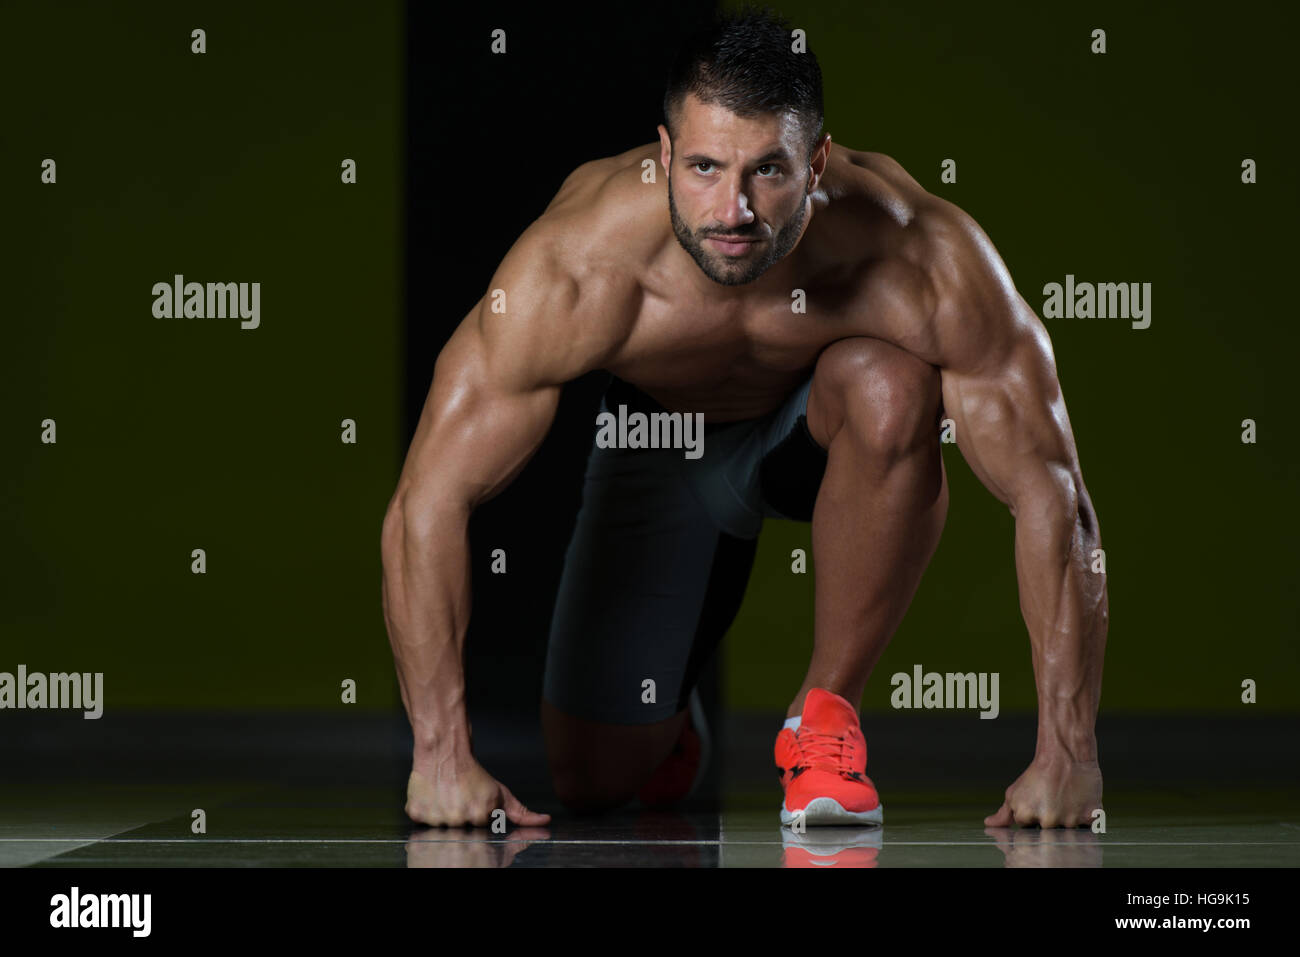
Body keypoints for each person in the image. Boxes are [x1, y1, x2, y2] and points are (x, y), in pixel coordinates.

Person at [381, 7, 1107, 830]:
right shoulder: (575, 267)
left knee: (893, 382)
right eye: (701, 167)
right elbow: (427, 500)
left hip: (818, 435)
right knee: (590, 778)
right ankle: (670, 723)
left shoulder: (918, 255)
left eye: (767, 170)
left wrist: (1068, 755)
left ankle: (825, 716)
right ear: (662, 154)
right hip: (658, 447)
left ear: (818, 161)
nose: (732, 209)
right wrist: (440, 757)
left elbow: (1054, 492)